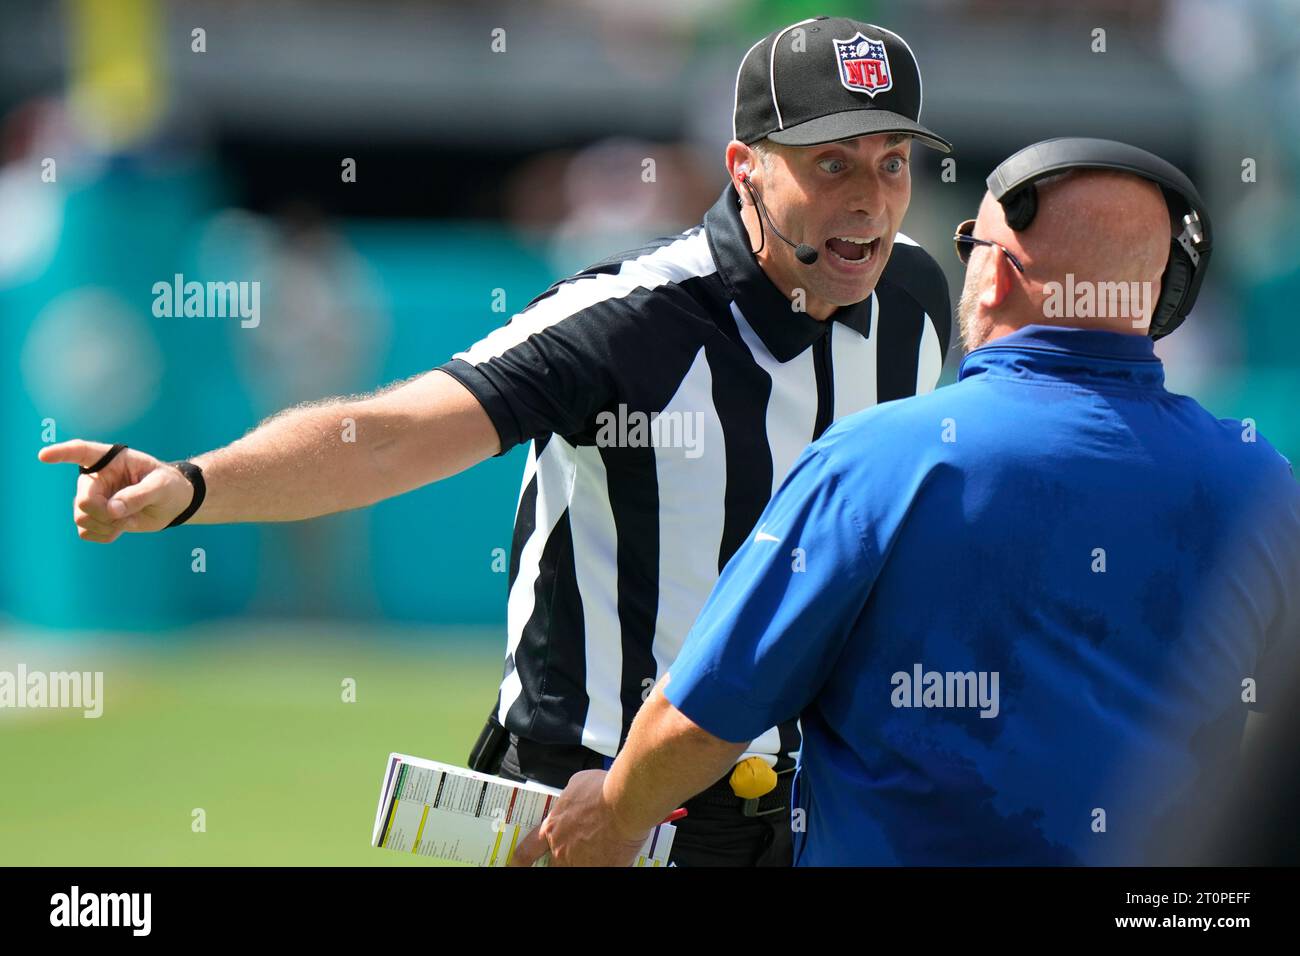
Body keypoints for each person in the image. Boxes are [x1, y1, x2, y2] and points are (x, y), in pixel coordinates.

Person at [37, 16, 954, 866]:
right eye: (830, 164)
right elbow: (388, 438)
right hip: (594, 804)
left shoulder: (913, 298)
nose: (870, 201)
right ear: (745, 166)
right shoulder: (631, 321)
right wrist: (194, 485)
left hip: (810, 807)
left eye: (892, 163)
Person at [511, 155, 1300, 867]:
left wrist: (612, 814)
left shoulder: (879, 459)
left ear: (994, 277)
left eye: (971, 247)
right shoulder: (1262, 481)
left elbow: (707, 713)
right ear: (1162, 293)